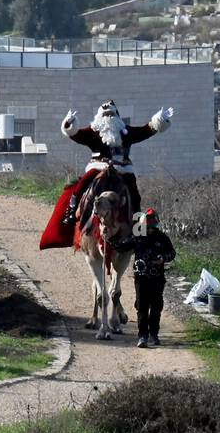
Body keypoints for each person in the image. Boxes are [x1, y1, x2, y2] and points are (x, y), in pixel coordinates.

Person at [39, 99, 174, 250]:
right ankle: (72, 212)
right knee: (83, 183)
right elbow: (75, 134)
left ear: (117, 116)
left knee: (134, 194)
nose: (108, 117)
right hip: (98, 167)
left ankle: (137, 228)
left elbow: (145, 130)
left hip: (123, 169)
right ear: (99, 116)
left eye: (111, 114)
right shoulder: (93, 131)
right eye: (105, 114)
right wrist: (69, 124)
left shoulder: (126, 132)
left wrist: (159, 121)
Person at [122, 207, 176, 348]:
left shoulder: (162, 238)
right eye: (147, 224)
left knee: (156, 306)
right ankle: (142, 336)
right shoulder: (137, 237)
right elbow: (122, 247)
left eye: (152, 223)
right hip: (141, 278)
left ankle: (154, 334)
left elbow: (172, 253)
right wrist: (108, 238)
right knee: (142, 307)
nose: (150, 227)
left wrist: (163, 258)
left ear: (156, 223)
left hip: (157, 278)